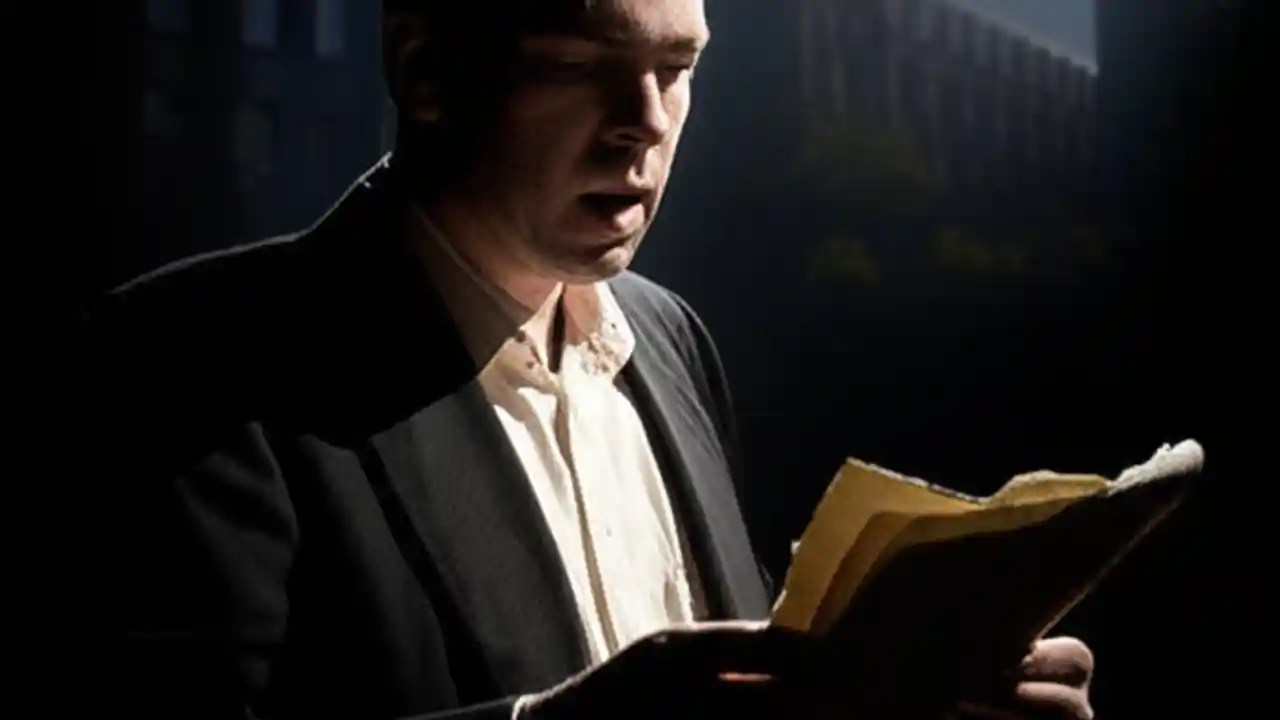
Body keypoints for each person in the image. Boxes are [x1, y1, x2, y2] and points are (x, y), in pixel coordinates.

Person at [72, 1, 1096, 718]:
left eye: (677, 68)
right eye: (578, 66)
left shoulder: (667, 339)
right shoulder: (186, 359)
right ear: (425, 73)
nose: (644, 124)